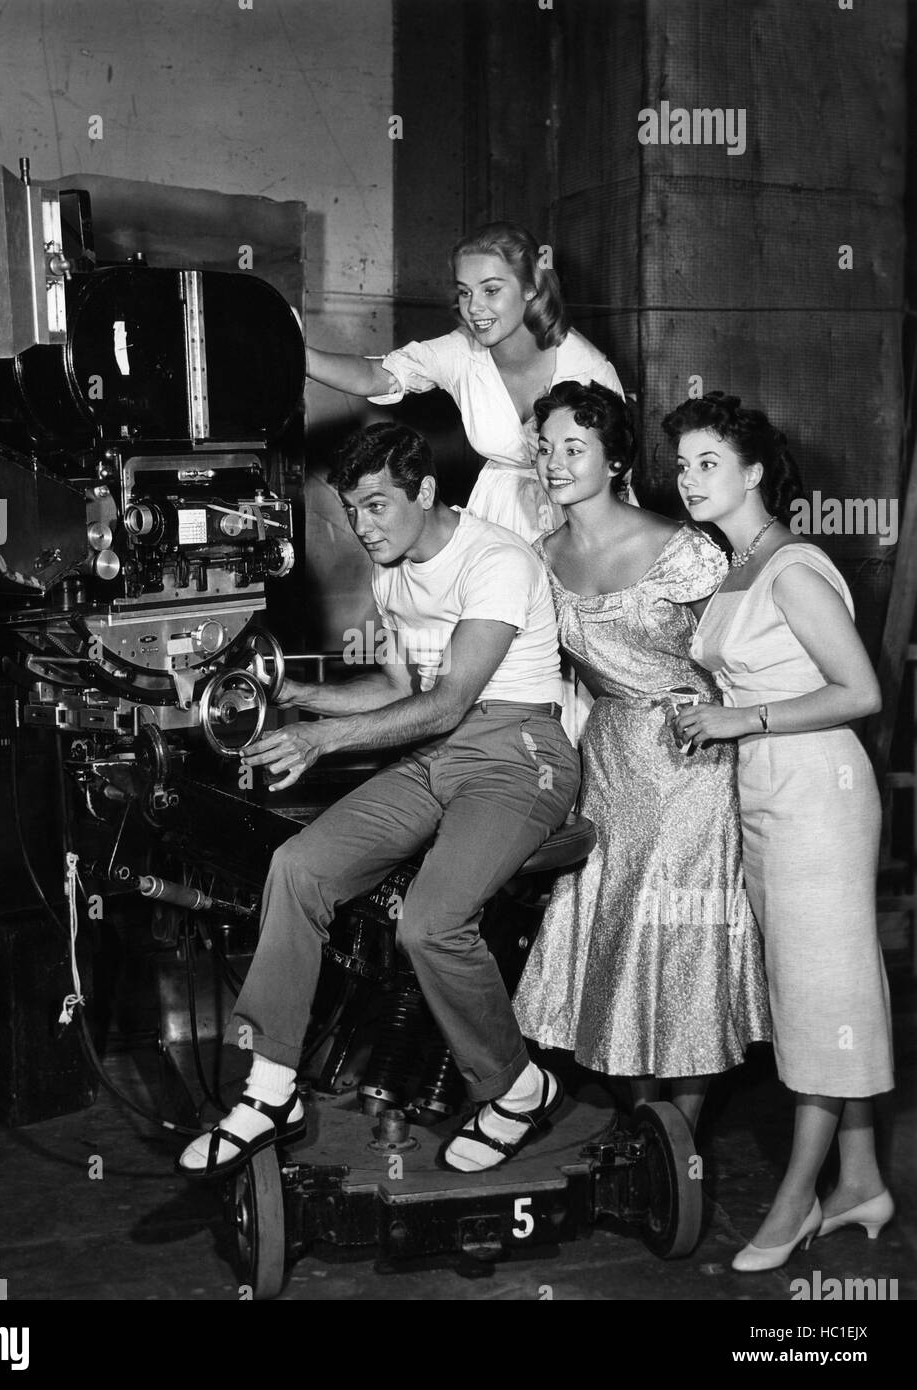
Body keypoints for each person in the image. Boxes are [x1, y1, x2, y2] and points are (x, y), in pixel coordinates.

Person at [176, 422, 580, 1178]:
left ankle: (517, 1087)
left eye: (375, 506)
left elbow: (451, 700)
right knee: (297, 867)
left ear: (424, 492)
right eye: (352, 510)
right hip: (435, 751)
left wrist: (319, 741)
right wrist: (296, 694)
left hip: (518, 754)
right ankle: (270, 1090)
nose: (361, 528)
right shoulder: (391, 568)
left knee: (430, 924)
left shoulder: (494, 560)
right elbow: (398, 689)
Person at [665, 391, 894, 1271]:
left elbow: (859, 690)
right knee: (819, 990)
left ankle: (795, 1202)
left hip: (817, 789)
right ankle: (862, 1180)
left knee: (816, 999)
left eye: (709, 463)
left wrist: (744, 720)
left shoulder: (790, 566)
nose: (690, 479)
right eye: (683, 465)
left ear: (754, 472)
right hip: (770, 788)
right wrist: (718, 712)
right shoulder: (737, 565)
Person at [513, 381, 770, 1133]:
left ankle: (677, 1135)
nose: (555, 462)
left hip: (694, 760)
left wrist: (740, 731)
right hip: (609, 763)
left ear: (614, 457)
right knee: (618, 932)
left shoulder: (684, 548)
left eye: (574, 447)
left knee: (682, 937)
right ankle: (644, 1124)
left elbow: (741, 662)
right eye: (546, 446)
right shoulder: (536, 560)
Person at [306, 220, 624, 740]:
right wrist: (299, 354)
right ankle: (491, 771)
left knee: (575, 672)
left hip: (580, 521)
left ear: (530, 287)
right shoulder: (462, 352)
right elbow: (376, 376)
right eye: (464, 292)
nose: (475, 307)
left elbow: (613, 476)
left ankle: (557, 782)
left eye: (492, 290)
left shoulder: (589, 367)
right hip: (501, 517)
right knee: (486, 675)